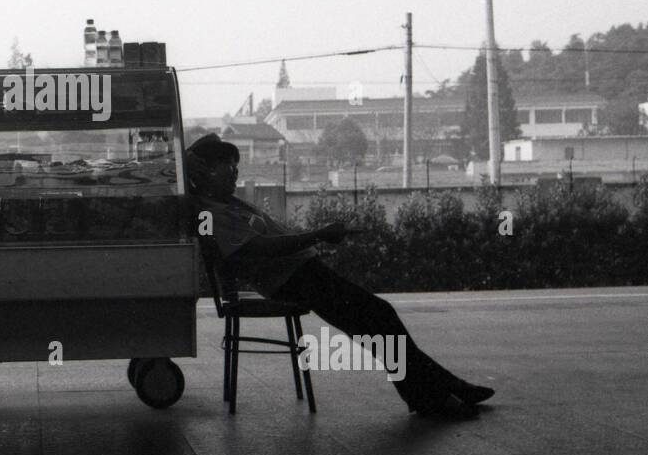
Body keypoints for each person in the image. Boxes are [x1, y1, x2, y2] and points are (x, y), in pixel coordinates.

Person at [186, 133, 494, 417]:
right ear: (205, 172)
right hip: (291, 281)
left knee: (375, 319)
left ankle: (440, 389)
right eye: (227, 166)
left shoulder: (226, 204)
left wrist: (318, 239)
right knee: (377, 316)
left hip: (299, 275)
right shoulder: (213, 213)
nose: (234, 173)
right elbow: (261, 248)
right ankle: (432, 395)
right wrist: (319, 234)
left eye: (235, 167)